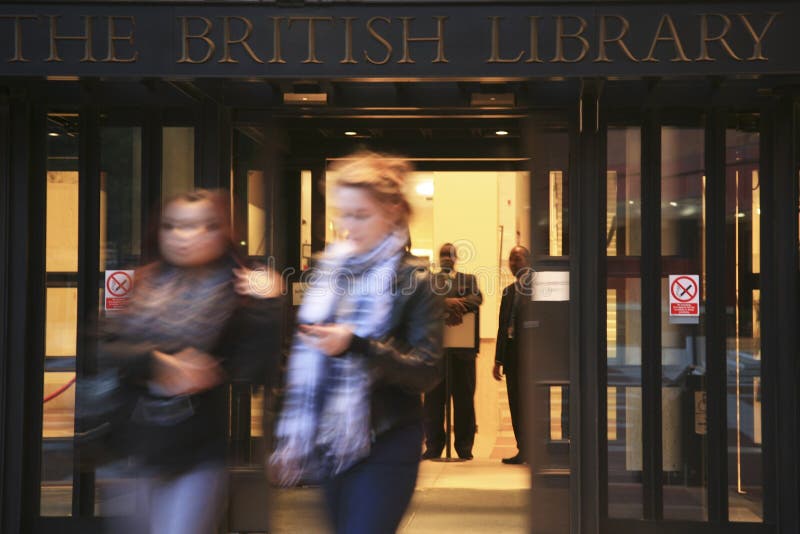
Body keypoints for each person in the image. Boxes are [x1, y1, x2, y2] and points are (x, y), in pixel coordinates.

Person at [270, 152, 444, 534]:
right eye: (343, 215)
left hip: (386, 438)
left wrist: (359, 346)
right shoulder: (329, 272)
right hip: (330, 441)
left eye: (361, 215)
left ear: (393, 212)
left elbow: (427, 371)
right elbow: (304, 358)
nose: (349, 226)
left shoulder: (415, 281)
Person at [98, 189, 283, 534]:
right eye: (171, 226)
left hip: (197, 448)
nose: (183, 236)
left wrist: (268, 306)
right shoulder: (143, 282)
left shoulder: (241, 290)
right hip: (135, 446)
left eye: (201, 226)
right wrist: (157, 362)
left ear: (223, 232)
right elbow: (106, 348)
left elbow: (253, 371)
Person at [422, 243, 482, 460]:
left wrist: (458, 306)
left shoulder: (468, 280)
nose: (446, 258)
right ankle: (433, 447)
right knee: (433, 403)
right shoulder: (429, 281)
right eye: (443, 255)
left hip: (462, 354)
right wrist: (445, 302)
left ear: (456, 258)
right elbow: (424, 301)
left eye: (450, 254)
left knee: (464, 402)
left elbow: (476, 299)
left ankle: (464, 448)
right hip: (435, 355)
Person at [493, 245, 532, 465]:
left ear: (528, 260)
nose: (514, 263)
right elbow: (502, 327)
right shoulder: (508, 291)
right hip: (512, 354)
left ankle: (536, 451)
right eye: (511, 259)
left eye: (518, 258)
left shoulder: (537, 288)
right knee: (515, 404)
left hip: (532, 355)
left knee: (531, 404)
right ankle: (523, 449)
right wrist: (498, 359)